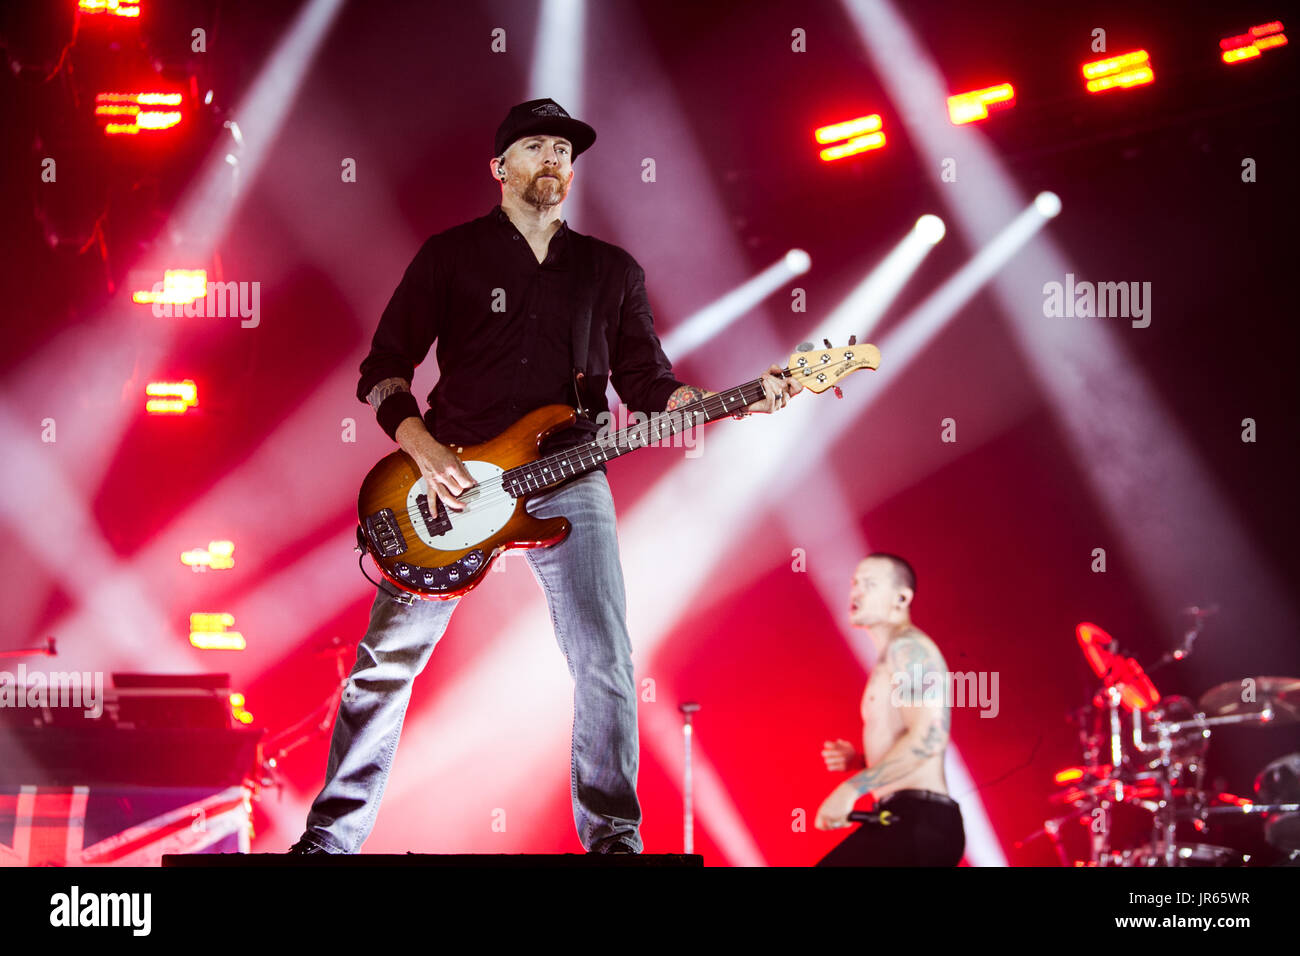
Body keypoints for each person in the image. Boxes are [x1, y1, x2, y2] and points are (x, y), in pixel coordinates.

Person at [291, 98, 800, 855]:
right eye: (536, 147)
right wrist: (424, 450)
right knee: (383, 666)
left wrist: (728, 400)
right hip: (450, 473)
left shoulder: (610, 270)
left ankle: (614, 841)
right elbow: (383, 370)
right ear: (500, 168)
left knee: (605, 654)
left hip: (569, 473)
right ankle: (329, 843)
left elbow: (649, 384)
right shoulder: (450, 256)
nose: (554, 160)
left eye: (564, 150)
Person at [813, 553, 965, 866]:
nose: (856, 591)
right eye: (855, 583)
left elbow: (930, 737)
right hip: (902, 818)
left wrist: (851, 789)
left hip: (920, 820)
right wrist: (862, 761)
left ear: (901, 597)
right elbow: (911, 741)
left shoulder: (908, 648)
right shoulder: (891, 657)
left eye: (869, 584)